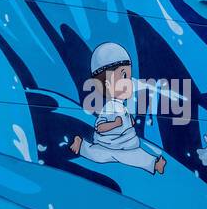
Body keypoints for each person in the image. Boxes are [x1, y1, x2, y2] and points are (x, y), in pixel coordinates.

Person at [69, 41, 166, 175]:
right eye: (124, 75)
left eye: (129, 76)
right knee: (99, 156)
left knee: (137, 155)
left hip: (127, 144)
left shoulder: (121, 106)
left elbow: (124, 119)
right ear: (107, 84)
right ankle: (81, 146)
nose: (130, 81)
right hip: (111, 146)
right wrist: (114, 124)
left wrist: (129, 121)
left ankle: (154, 163)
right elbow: (100, 127)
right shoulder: (109, 107)